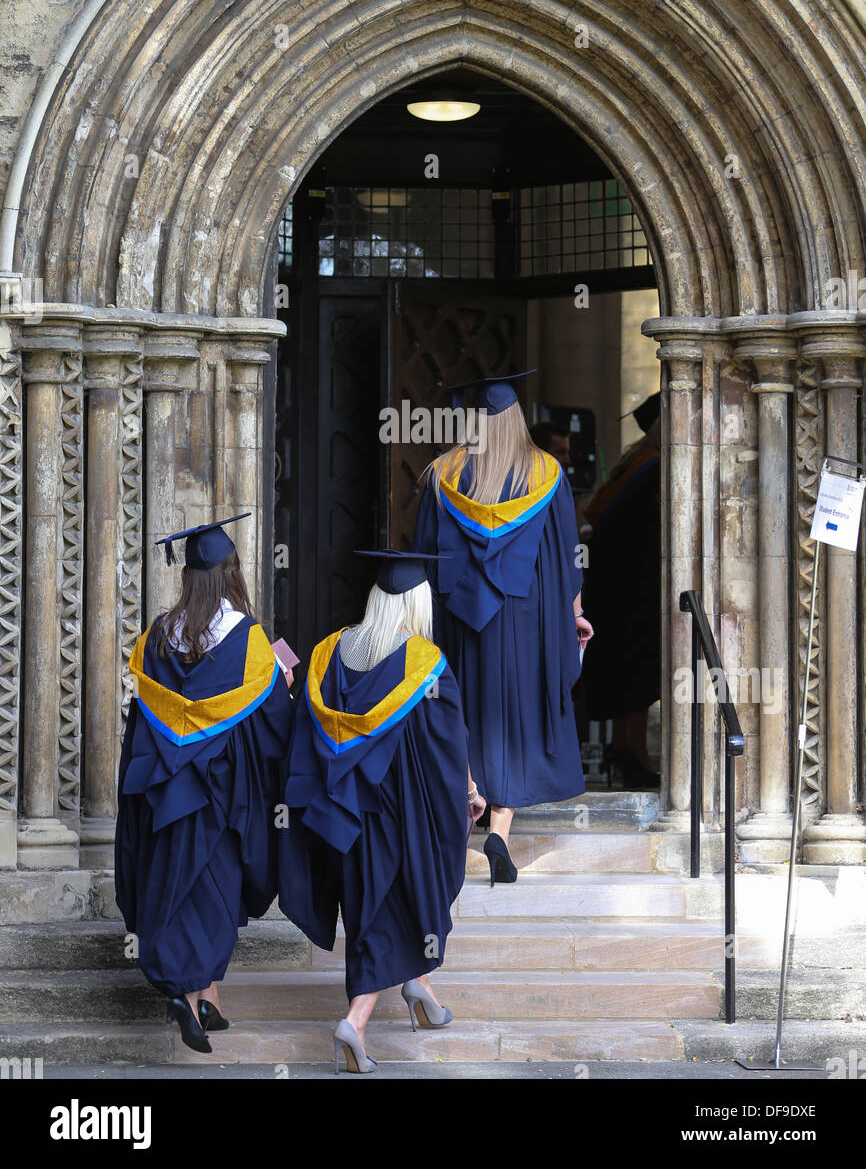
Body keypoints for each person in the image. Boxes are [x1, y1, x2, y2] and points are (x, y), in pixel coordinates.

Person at [277, 551, 484, 1074]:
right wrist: (466, 792)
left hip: (342, 810)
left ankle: (421, 990)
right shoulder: (424, 663)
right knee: (386, 907)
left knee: (371, 902)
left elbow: (303, 728)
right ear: (418, 604)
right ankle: (357, 1020)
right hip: (399, 812)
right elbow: (447, 746)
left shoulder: (329, 651)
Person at [115, 514, 294, 1054]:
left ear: (189, 578)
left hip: (165, 791)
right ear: (231, 576)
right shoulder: (251, 641)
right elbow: (273, 729)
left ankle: (205, 995)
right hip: (221, 794)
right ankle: (186, 998)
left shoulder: (153, 641)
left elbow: (140, 725)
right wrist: (279, 688)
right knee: (213, 893)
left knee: (173, 883)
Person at [412, 371, 593, 885]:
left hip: (462, 615)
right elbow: (563, 558)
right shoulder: (548, 474)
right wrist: (571, 611)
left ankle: (470, 794)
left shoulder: (445, 474)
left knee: (464, 708)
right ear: (516, 419)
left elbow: (425, 554)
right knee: (514, 719)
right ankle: (500, 830)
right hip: (525, 617)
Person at [578, 398, 661, 787]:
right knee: (638, 674)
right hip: (635, 587)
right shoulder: (652, 466)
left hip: (617, 585)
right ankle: (632, 754)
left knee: (630, 673)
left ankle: (624, 751)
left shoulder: (634, 463)